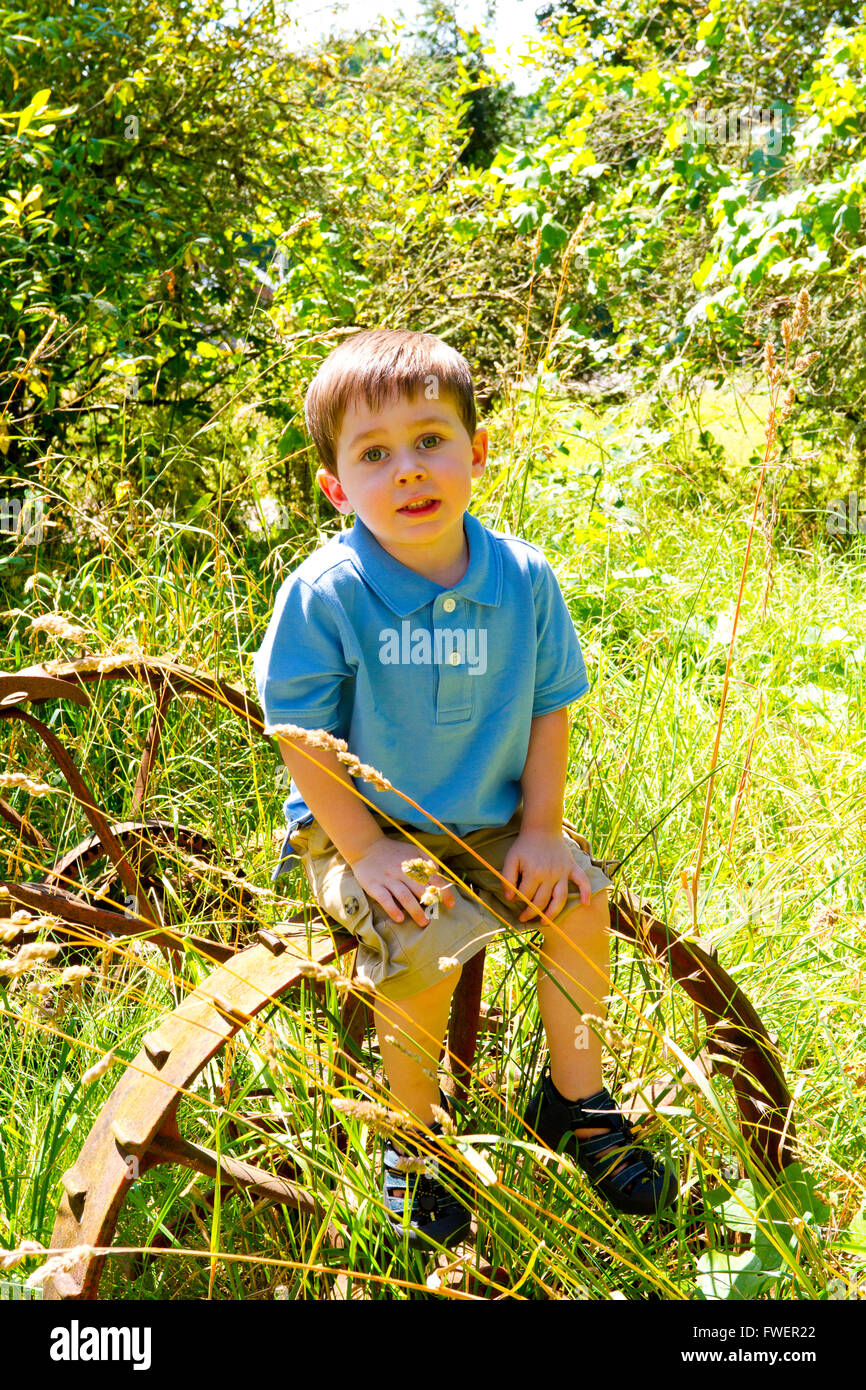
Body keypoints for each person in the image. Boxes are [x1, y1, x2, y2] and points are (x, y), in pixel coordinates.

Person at [253, 327, 675, 1246]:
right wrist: (365, 852)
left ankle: (577, 1099)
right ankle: (414, 1140)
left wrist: (542, 829)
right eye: (375, 455)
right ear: (337, 488)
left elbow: (549, 705)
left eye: (431, 440)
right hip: (359, 833)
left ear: (476, 453)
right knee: (423, 931)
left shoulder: (523, 579)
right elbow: (302, 740)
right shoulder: (328, 593)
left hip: (492, 823)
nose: (409, 470)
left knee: (580, 900)